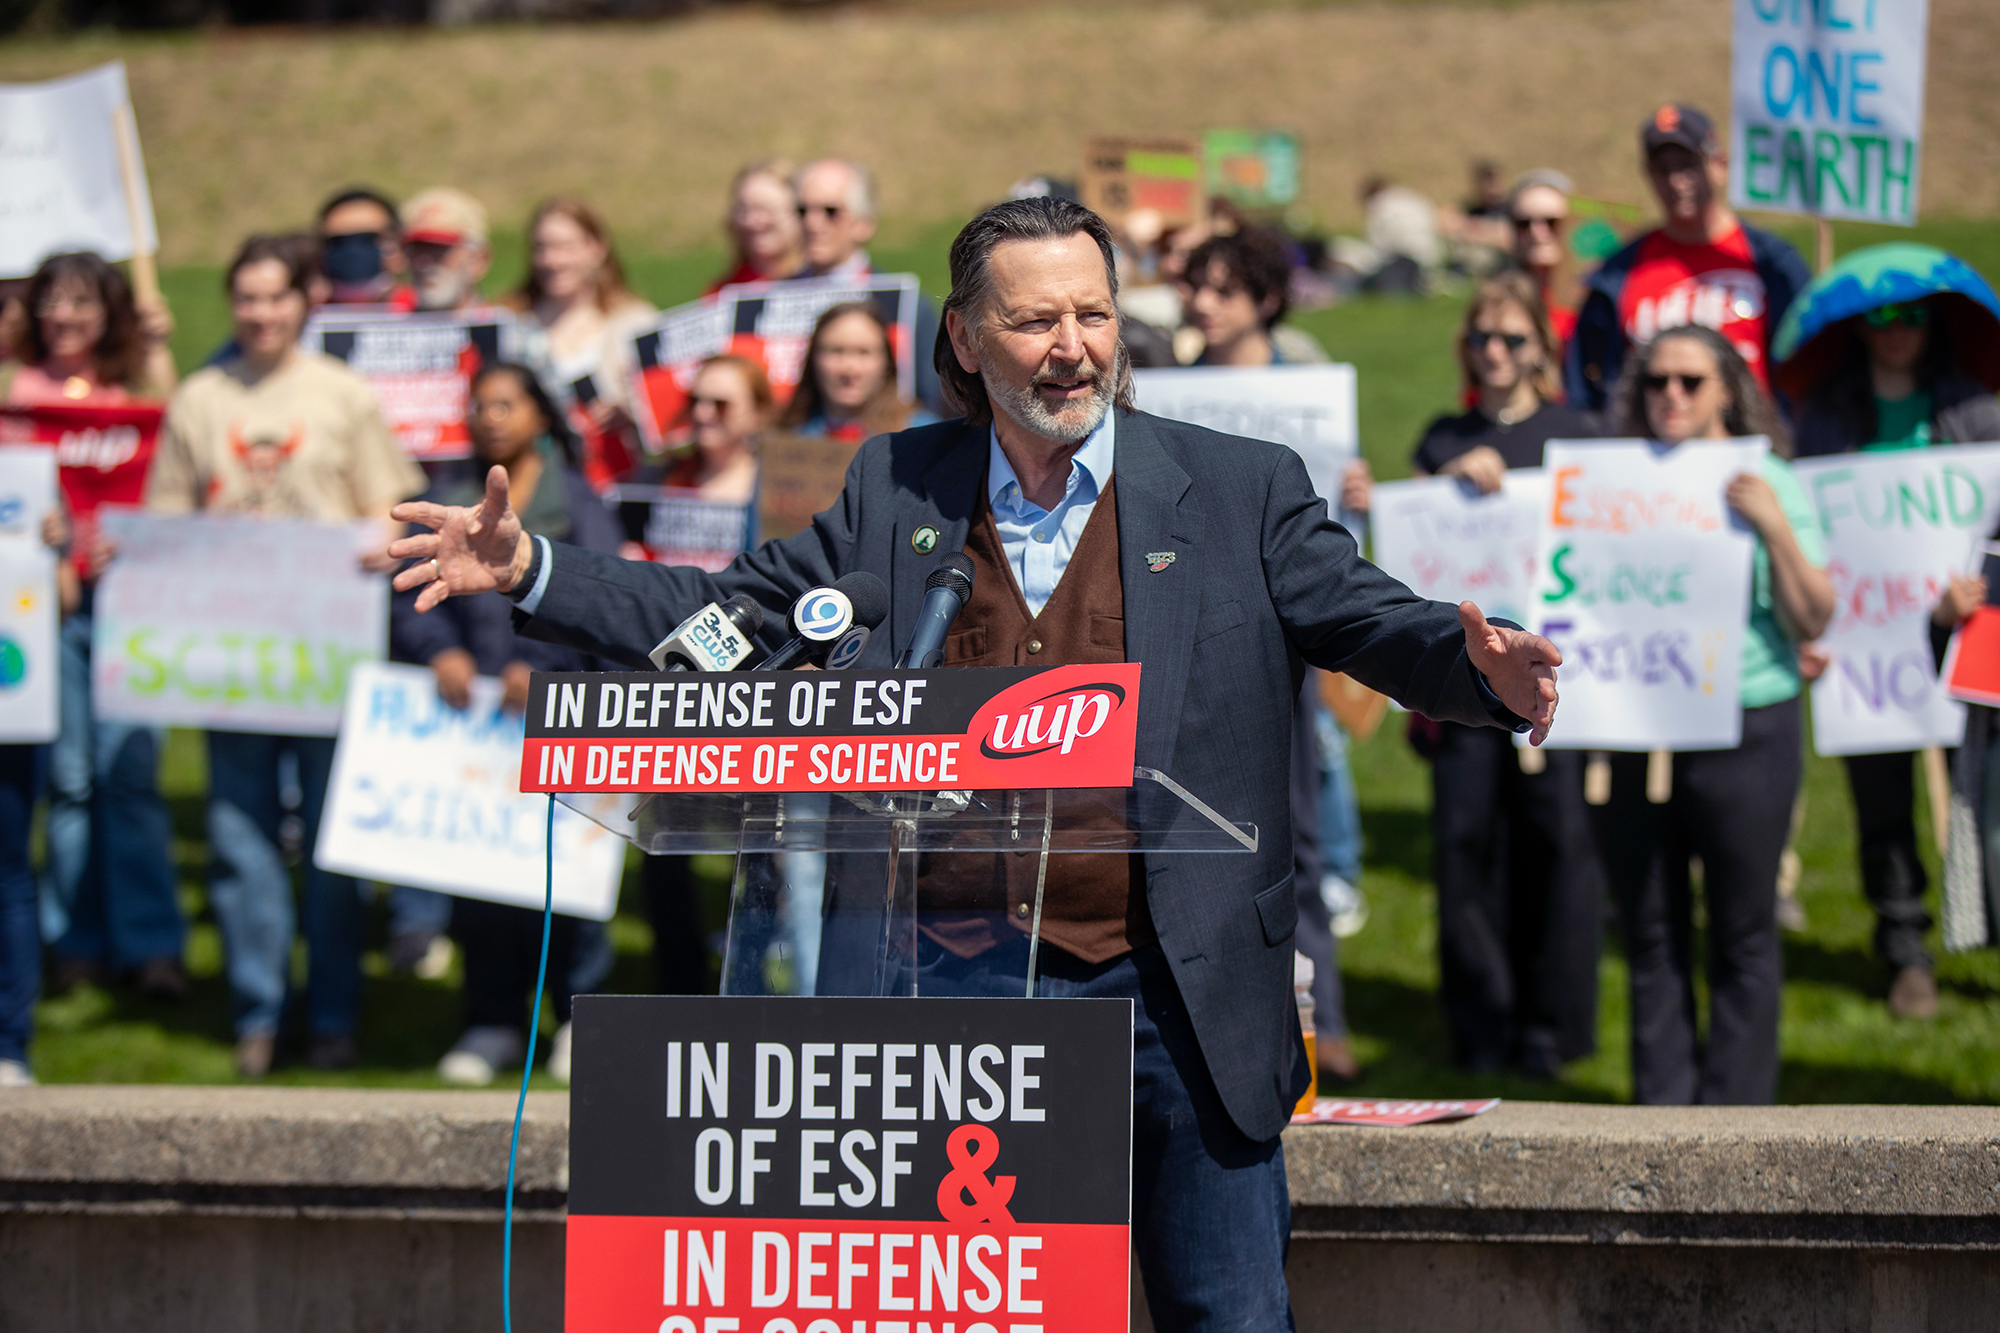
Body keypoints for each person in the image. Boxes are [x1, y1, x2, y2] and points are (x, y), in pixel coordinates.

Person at [392, 196, 1561, 1330]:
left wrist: (1479, 675)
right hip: (946, 996)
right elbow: (731, 622)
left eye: (1092, 316)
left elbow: (1372, 621)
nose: (1071, 350)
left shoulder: (1239, 490)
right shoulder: (896, 488)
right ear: (962, 335)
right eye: (1034, 321)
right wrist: (537, 571)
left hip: (1178, 993)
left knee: (1230, 1312)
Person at [146, 235, 426, 1077]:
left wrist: (365, 544)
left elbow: (390, 509)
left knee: (335, 843)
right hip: (232, 656)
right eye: (247, 299)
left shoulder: (341, 395)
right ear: (232, 305)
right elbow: (164, 523)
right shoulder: (198, 398)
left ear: (302, 302)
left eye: (276, 297)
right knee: (239, 839)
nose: (262, 314)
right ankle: (258, 1011)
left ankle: (335, 1012)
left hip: (329, 651)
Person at [1594, 324, 1833, 1105]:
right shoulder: (1611, 481)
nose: (1671, 395)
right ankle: (1661, 1118)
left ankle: (1735, 1126)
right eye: (1657, 381)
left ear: (1727, 388)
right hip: (1639, 726)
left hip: (1746, 730)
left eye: (1691, 382)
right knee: (1651, 932)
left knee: (1742, 932)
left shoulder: (1769, 481)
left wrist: (1772, 524)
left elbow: (1815, 616)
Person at [390, 363, 622, 1085]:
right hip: (477, 729)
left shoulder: (577, 500)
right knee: (484, 880)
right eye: (478, 404)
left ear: (540, 416)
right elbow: (402, 599)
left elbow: (611, 597)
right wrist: (444, 651)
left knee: (569, 882)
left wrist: (546, 672)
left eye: (506, 403)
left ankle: (579, 1017)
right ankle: (491, 1020)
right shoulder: (452, 501)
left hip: (564, 720)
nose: (490, 416)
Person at [1410, 273, 1604, 1075]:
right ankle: (1480, 1025)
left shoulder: (1579, 436)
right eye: (1482, 339)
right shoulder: (1440, 437)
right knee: (1466, 845)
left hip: (1565, 682)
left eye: (1513, 339)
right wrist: (1434, 484)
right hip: (1465, 686)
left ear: (1542, 349)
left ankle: (1550, 1027)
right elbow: (1413, 541)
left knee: (1556, 848)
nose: (1496, 352)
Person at [1788, 291, 2000, 1018]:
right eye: (1881, 318)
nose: (1897, 331)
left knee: (1984, 800)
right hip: (1865, 655)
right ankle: (1905, 947)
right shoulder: (1823, 421)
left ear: (1932, 327)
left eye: (1910, 317)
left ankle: (1985, 931)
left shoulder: (1977, 414)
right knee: (1881, 807)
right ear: (1859, 331)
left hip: (1967, 643)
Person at [2, 253, 185, 1001]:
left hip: (137, 606)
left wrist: (158, 339)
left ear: (109, 310)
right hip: (48, 611)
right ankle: (70, 941)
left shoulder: (138, 384)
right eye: (51, 301)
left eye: (80, 302)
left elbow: (174, 453)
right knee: (71, 781)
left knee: (131, 778)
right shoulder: (18, 392)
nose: (63, 317)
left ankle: (151, 946)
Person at [1566, 104, 1812, 413]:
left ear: (1719, 166)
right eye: (1663, 169)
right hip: (1648, 448)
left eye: (1688, 165)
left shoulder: (1772, 264)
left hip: (1750, 445)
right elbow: (1585, 381)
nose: (1676, 181)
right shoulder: (1619, 273)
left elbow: (1812, 364)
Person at [0, 505, 75, 1087]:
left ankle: (8, 1045)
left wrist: (53, 552)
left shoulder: (24, 485)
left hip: (11, 707)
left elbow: (67, 600)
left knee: (7, 874)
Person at [790, 157, 946, 415]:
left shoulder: (908, 306)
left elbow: (929, 400)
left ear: (864, 224)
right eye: (802, 211)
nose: (812, 223)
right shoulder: (765, 299)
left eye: (830, 212)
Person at [774, 300, 937, 441]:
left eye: (864, 352)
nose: (850, 368)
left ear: (886, 362)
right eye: (836, 351)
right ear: (813, 359)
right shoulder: (785, 436)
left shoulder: (922, 433)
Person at [707, 161, 805, 293]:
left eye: (766, 210)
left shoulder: (821, 282)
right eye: (744, 210)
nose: (753, 222)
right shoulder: (722, 294)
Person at [1506, 169, 1578, 349]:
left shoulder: (1594, 297)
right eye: (1524, 224)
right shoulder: (1499, 300)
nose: (1537, 233)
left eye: (1552, 222)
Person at [316, 186, 411, 309]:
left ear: (398, 247)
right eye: (337, 241)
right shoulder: (303, 317)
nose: (352, 250)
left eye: (366, 239)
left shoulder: (422, 312)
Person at [402, 187, 492, 314]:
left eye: (441, 250)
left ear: (477, 260)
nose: (426, 262)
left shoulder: (505, 329)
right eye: (417, 249)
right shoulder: (387, 325)